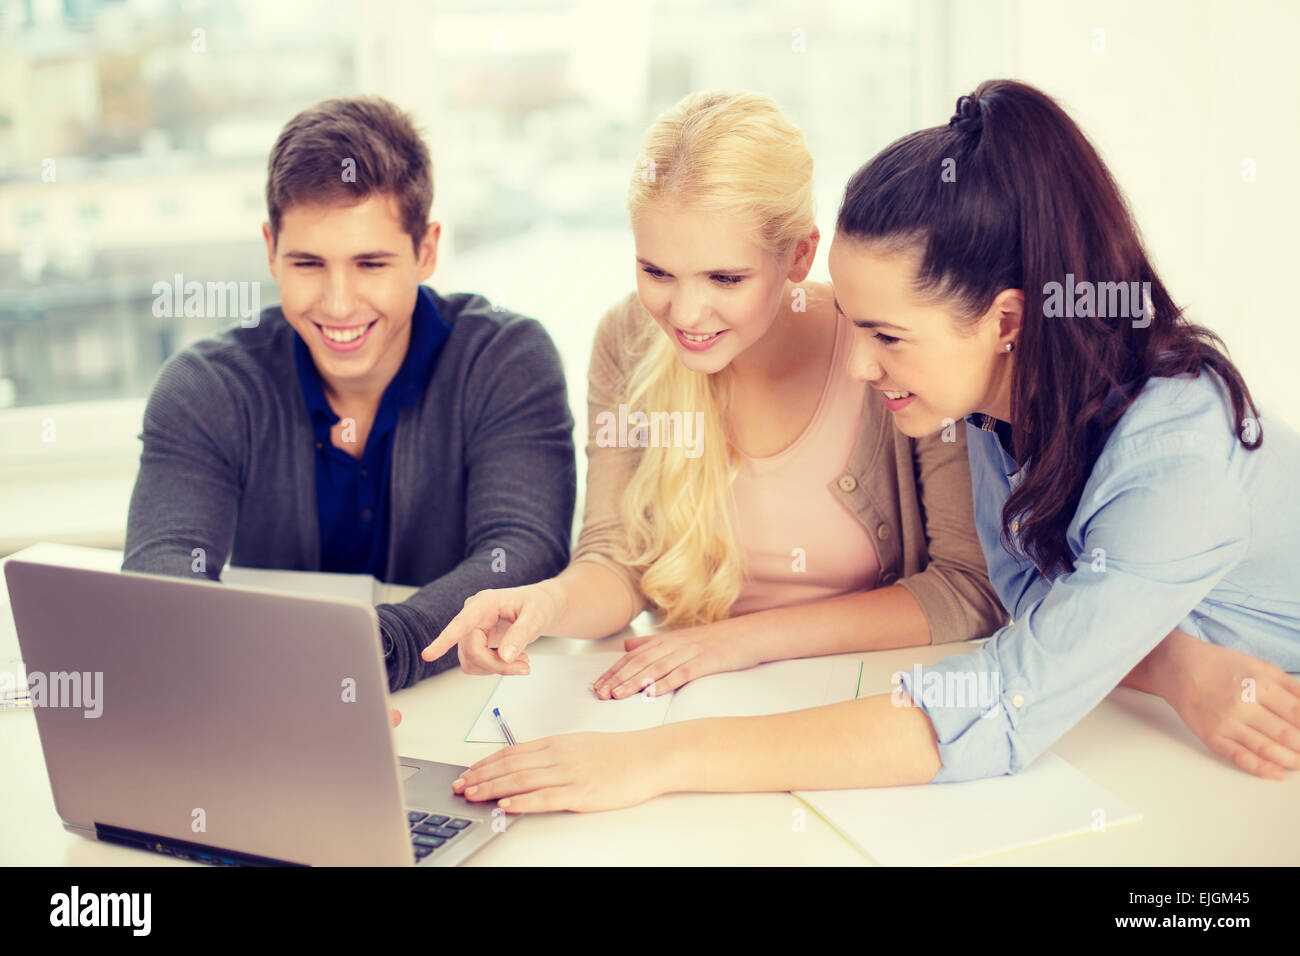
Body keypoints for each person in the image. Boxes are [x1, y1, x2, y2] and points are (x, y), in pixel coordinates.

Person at [440, 80, 1300, 813]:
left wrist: (658, 761)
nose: (856, 363)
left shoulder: (1174, 459)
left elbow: (992, 704)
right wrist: (1179, 665)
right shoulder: (998, 412)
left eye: (885, 334)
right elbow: (1048, 614)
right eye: (852, 325)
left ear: (1004, 320)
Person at [423, 90, 1002, 720]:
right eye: (657, 272)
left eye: (725, 279)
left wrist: (737, 643)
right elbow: (616, 560)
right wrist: (544, 605)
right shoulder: (627, 337)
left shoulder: (886, 344)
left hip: (859, 703)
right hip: (692, 698)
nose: (686, 314)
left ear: (799, 256)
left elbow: (965, 588)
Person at [123, 96, 576, 692]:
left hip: (461, 691)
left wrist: (372, 654)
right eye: (308, 263)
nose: (338, 304)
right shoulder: (207, 387)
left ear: (427, 251)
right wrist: (272, 678)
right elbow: (163, 574)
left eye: (371, 264)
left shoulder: (505, 359)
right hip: (267, 698)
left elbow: (524, 550)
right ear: (270, 250)